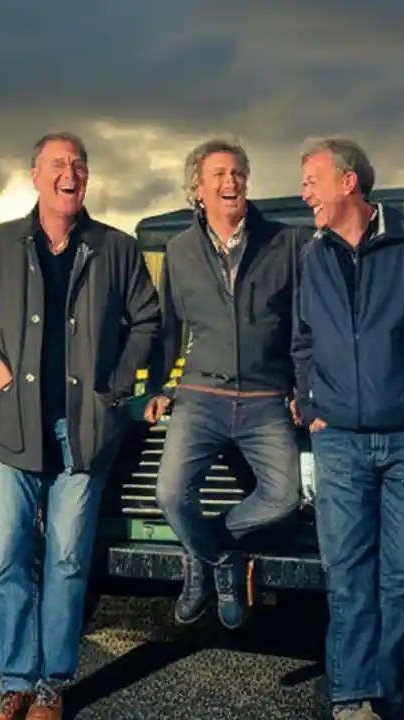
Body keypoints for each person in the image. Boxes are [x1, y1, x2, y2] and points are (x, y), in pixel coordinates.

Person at [0, 132, 161, 720]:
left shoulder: (114, 247)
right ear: (35, 176)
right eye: (59, 164)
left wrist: (114, 387)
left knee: (67, 560)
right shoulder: (0, 243)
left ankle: (51, 687)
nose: (71, 173)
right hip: (16, 431)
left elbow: (147, 318)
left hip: (83, 432)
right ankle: (14, 681)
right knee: (10, 559)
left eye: (79, 165)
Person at [292, 138, 404, 720]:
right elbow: (303, 342)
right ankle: (352, 702)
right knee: (347, 579)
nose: (305, 192)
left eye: (312, 179)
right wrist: (310, 402)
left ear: (349, 182)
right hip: (338, 439)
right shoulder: (309, 255)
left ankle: (392, 699)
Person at [143, 137, 304, 630]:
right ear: (198, 188)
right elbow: (169, 327)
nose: (230, 182)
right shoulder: (179, 250)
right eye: (219, 175)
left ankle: (206, 551)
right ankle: (222, 563)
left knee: (285, 497)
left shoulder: (285, 242)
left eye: (237, 173)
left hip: (265, 397)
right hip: (201, 396)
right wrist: (157, 386)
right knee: (170, 494)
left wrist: (303, 387)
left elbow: (302, 324)